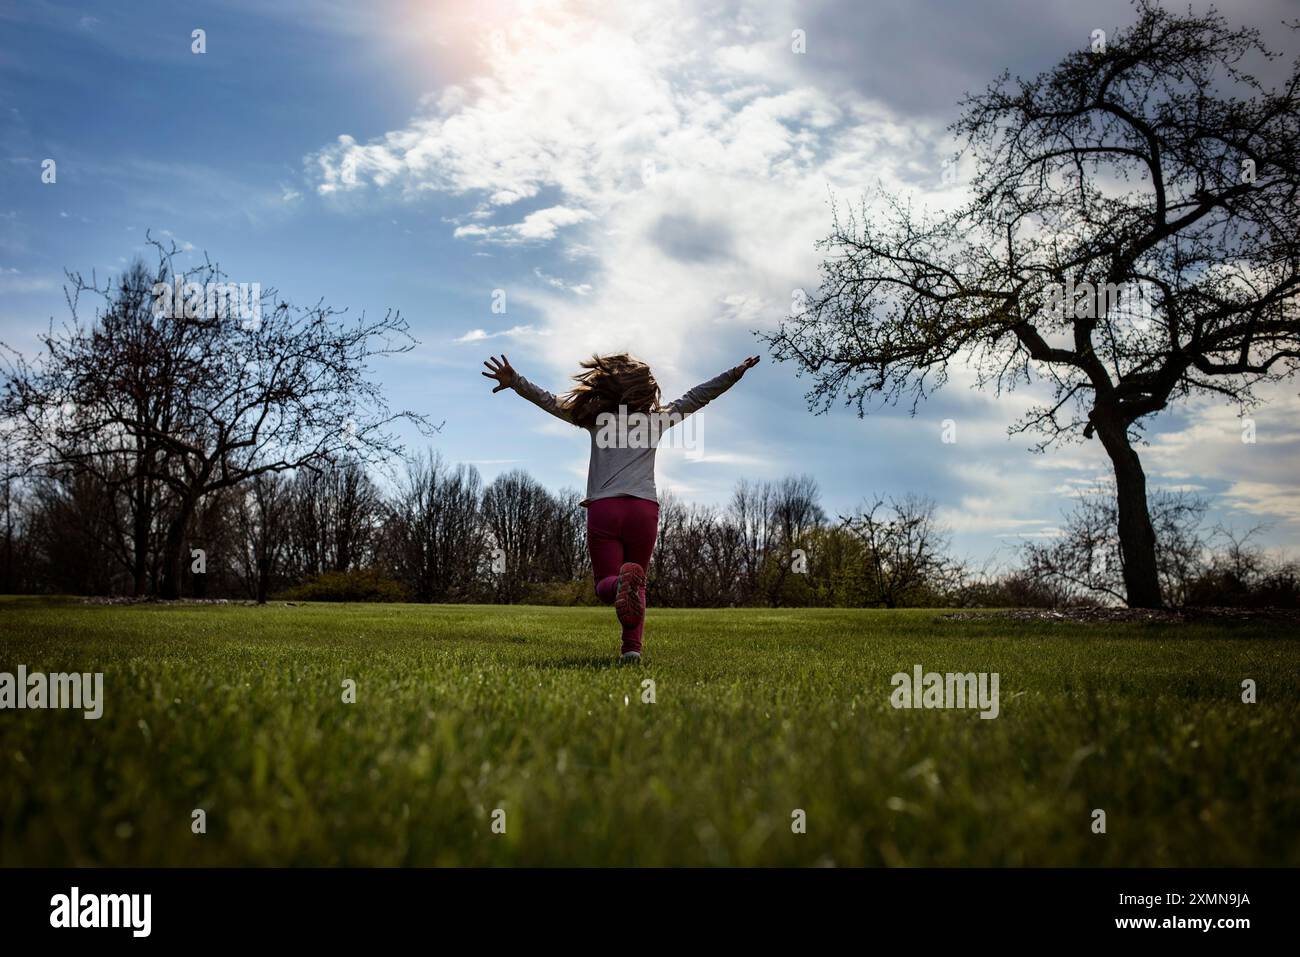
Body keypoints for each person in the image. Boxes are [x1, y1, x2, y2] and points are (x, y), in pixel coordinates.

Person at [482, 351, 760, 662]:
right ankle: (631, 652)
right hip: (644, 512)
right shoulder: (656, 421)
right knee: (637, 583)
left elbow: (550, 402)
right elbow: (697, 397)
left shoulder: (596, 420)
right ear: (645, 390)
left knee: (606, 584)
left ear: (608, 387)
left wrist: (516, 381)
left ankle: (619, 586)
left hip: (605, 510)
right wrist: (735, 372)